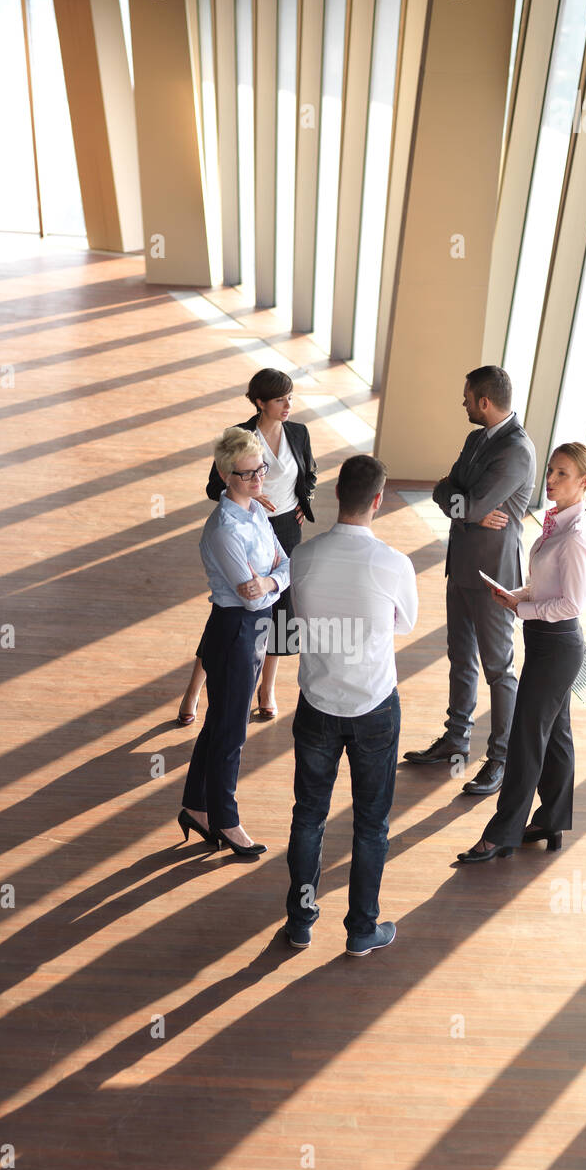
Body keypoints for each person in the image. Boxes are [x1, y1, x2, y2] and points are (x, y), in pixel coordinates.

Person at [283, 455, 418, 956]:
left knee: (309, 815)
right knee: (370, 823)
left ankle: (299, 921)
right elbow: (404, 624)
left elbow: (298, 616)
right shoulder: (393, 564)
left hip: (317, 702)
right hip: (373, 707)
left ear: (337, 496)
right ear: (378, 501)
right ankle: (362, 928)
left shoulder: (304, 557)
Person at [456, 442, 586, 865]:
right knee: (555, 736)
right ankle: (552, 818)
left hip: (557, 647)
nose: (551, 480)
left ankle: (502, 832)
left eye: (561, 474)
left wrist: (521, 608)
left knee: (525, 740)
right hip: (544, 640)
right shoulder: (558, 523)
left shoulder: (576, 536)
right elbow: (547, 587)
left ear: (584, 482)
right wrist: (516, 596)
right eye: (551, 471)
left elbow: (572, 605)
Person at [404, 365, 535, 796]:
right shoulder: (476, 438)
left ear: (484, 401)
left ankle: (499, 758)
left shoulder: (517, 450)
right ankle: (456, 739)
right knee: (460, 657)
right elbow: (446, 489)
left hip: (494, 574)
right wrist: (464, 506)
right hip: (461, 564)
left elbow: (469, 498)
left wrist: (466, 504)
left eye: (466, 397)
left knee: (499, 668)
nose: (462, 403)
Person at [177, 368, 317, 725]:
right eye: (279, 399)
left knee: (282, 612)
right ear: (259, 403)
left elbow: (308, 474)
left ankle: (266, 688)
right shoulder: (239, 440)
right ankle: (194, 690)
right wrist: (252, 499)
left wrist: (304, 500)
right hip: (248, 525)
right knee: (233, 607)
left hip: (286, 526)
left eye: (290, 397)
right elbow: (215, 486)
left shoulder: (298, 433)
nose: (288, 404)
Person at [177, 427, 290, 858]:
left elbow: (285, 566)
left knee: (221, 723)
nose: (259, 479)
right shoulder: (224, 529)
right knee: (231, 731)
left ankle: (196, 805)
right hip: (235, 632)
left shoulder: (256, 512)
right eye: (247, 474)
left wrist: (270, 580)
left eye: (260, 468)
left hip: (253, 628)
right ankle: (225, 819)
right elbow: (251, 594)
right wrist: (270, 582)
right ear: (226, 476)